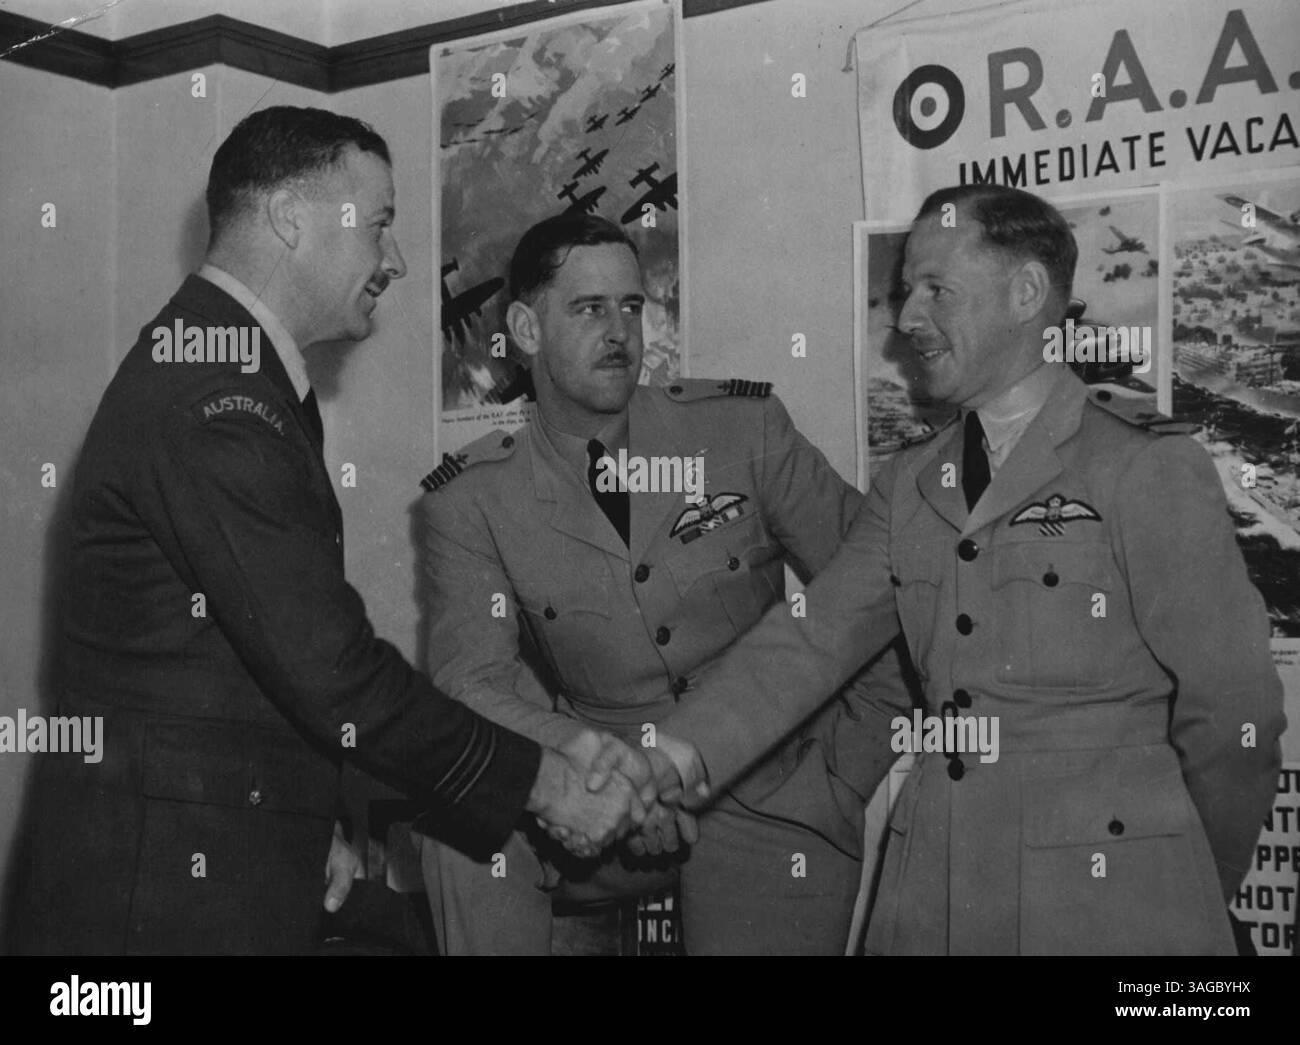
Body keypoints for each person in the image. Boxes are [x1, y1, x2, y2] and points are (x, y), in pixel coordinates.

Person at [10, 107, 648, 956]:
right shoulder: (218, 399)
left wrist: (304, 821)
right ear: (288, 218)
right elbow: (332, 672)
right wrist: (544, 785)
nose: (398, 259)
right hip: (154, 898)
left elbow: (237, 667)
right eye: (379, 223)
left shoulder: (227, 367)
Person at [645, 184, 1286, 954]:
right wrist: (666, 757)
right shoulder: (912, 481)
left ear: (1025, 294)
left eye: (936, 289)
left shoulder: (1142, 466)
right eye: (906, 290)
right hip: (936, 896)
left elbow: (1235, 715)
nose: (908, 317)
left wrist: (1184, 884)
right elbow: (810, 642)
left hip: (1109, 906)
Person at [417, 213, 913, 955]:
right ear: (524, 327)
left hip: (766, 785)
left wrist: (845, 770)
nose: (620, 331)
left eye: (632, 307)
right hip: (597, 801)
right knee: (456, 824)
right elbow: (473, 682)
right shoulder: (474, 497)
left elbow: (886, 592)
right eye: (589, 309)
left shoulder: (743, 431)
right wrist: (596, 770)